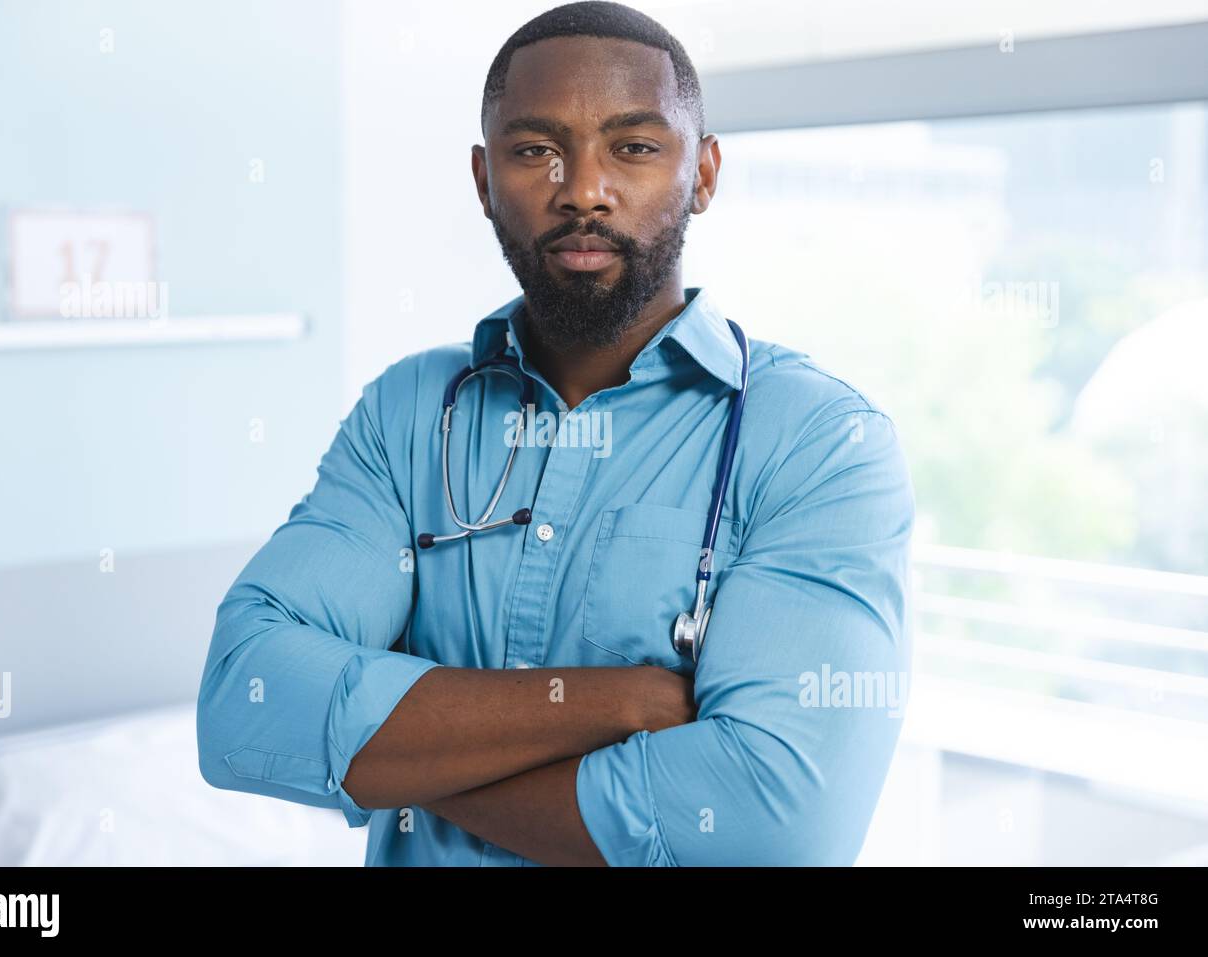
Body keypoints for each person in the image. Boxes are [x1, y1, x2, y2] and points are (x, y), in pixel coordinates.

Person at [197, 0, 915, 866]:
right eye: (535, 150)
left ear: (704, 174)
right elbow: (245, 698)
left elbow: (772, 828)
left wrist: (404, 756)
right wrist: (614, 702)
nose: (582, 188)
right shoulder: (408, 414)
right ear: (483, 178)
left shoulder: (817, 442)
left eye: (635, 147)